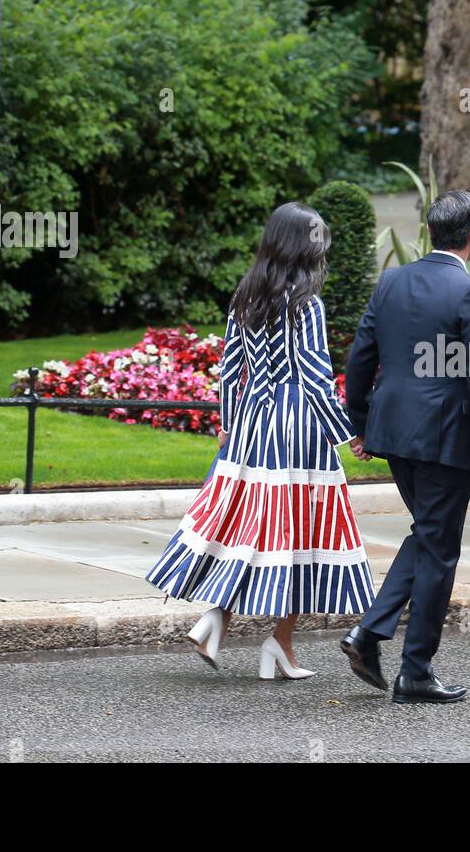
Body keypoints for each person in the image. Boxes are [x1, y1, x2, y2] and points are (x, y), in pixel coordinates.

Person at [146, 201, 376, 677]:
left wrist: (229, 423)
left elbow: (231, 370)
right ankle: (278, 642)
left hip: (252, 419)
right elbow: (314, 376)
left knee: (250, 523)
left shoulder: (245, 296)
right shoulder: (307, 303)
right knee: (298, 535)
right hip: (296, 428)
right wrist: (348, 432)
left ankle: (220, 618)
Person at [338, 189, 470, 704]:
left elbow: (359, 358)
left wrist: (362, 423)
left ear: (432, 232)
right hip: (444, 439)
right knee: (440, 548)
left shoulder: (392, 280)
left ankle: (372, 637)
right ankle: (411, 667)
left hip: (395, 433)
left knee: (429, 535)